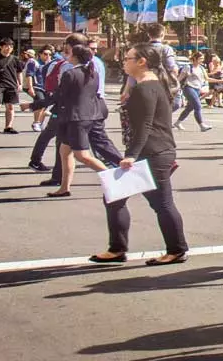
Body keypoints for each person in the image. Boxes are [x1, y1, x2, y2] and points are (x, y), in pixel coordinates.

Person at [90, 42, 188, 265]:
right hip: (153, 151)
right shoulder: (150, 85)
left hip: (153, 152)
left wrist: (131, 155)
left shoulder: (146, 87)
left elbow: (145, 124)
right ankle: (117, 249)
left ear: (142, 62)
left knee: (162, 204)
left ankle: (176, 250)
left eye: (128, 58)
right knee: (114, 198)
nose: (123, 62)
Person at [47, 42, 111, 195]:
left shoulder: (71, 73)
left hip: (76, 119)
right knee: (65, 151)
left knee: (82, 155)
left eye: (69, 53)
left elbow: (59, 96)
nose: (67, 56)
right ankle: (64, 187)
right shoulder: (92, 72)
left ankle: (113, 178)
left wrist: (34, 105)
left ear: (75, 57)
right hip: (84, 116)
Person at [176, 52, 210, 131]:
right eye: (200, 58)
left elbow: (207, 79)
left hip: (197, 89)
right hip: (188, 88)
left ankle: (177, 122)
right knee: (198, 106)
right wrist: (174, 88)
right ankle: (202, 125)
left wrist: (220, 80)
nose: (202, 60)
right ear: (195, 58)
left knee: (189, 108)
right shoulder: (188, 67)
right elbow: (179, 79)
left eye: (202, 58)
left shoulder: (201, 68)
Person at [23, 45, 51, 130]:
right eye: (45, 54)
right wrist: (30, 87)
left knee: (44, 105)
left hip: (45, 87)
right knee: (41, 102)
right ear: (40, 54)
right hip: (36, 86)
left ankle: (40, 123)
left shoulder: (49, 63)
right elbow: (29, 75)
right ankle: (36, 123)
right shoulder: (34, 62)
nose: (48, 56)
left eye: (50, 54)